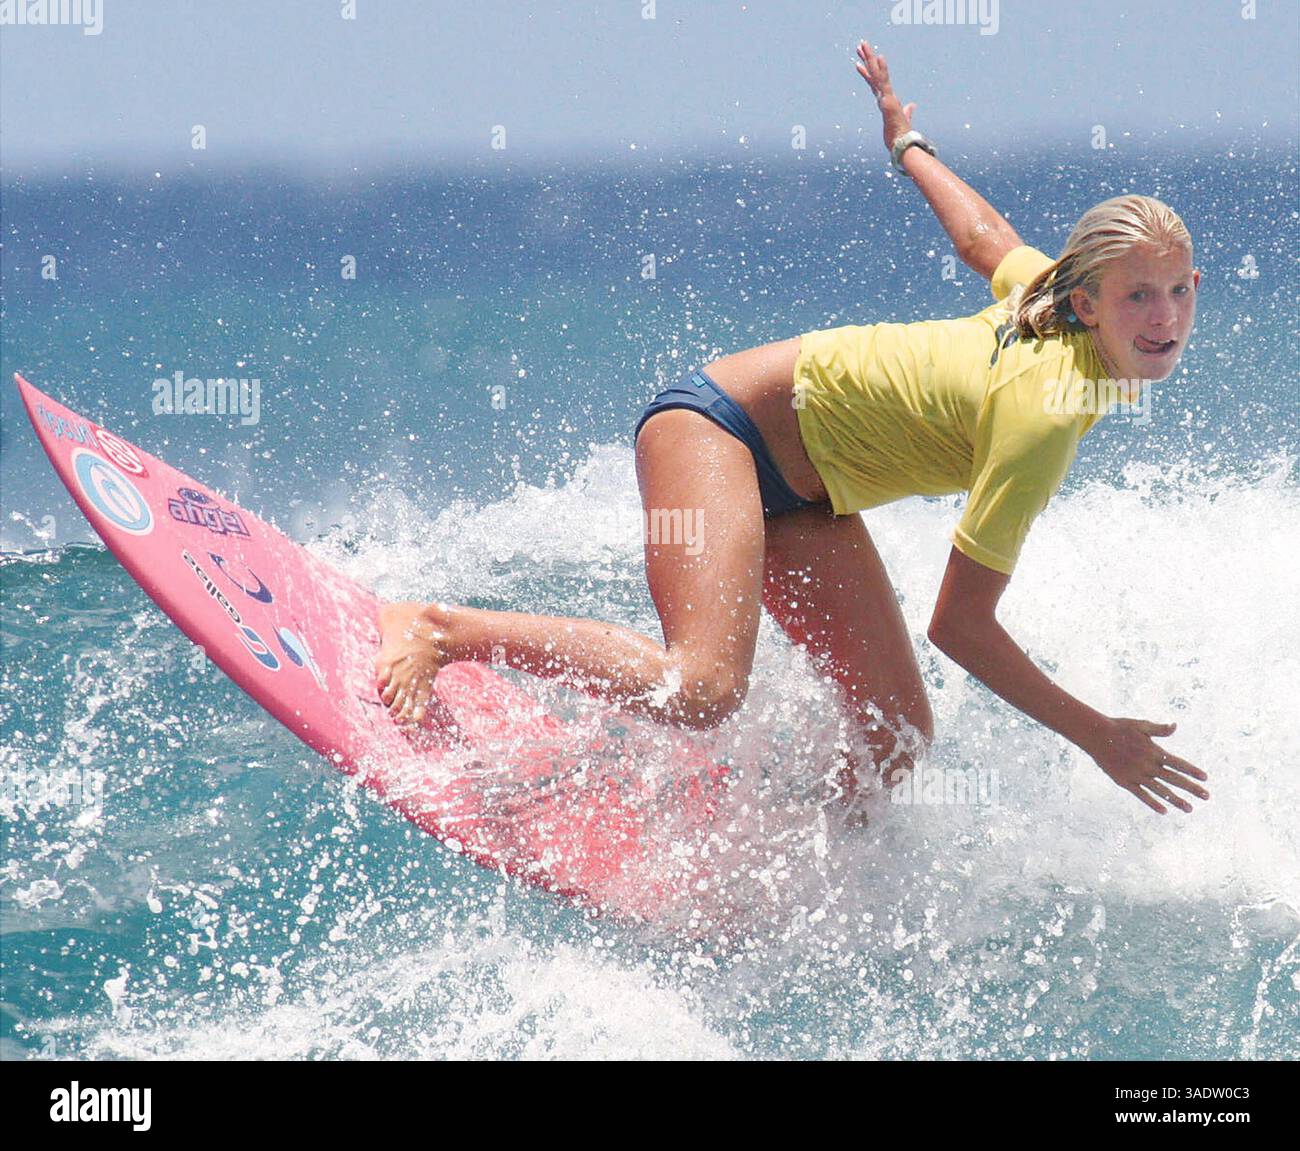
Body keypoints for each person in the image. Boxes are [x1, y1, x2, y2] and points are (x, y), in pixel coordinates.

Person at [375, 38, 1209, 816]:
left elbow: (982, 238)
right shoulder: (1044, 415)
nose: (1163, 317)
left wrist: (905, 143)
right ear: (1089, 300)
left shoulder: (1047, 298)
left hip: (809, 493)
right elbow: (959, 625)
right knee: (701, 686)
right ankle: (440, 628)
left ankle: (786, 861)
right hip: (720, 430)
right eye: (1139, 295)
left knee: (893, 740)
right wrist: (1098, 735)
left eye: (1178, 291)